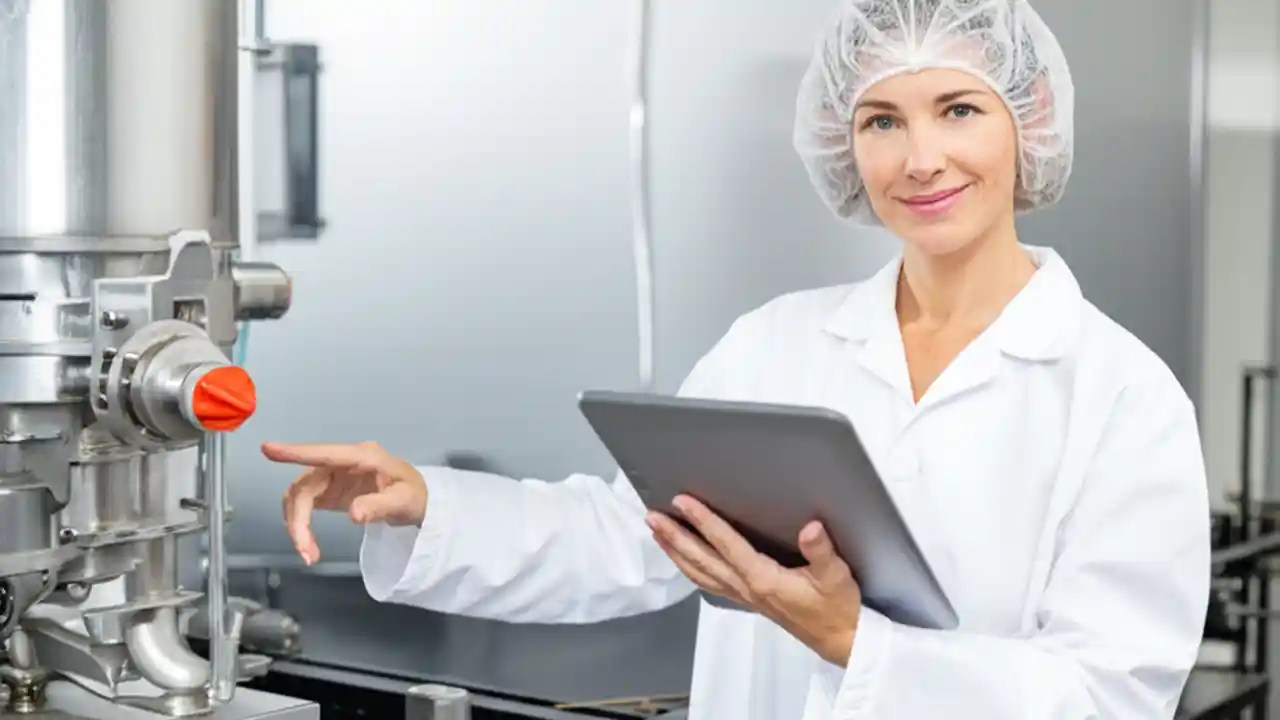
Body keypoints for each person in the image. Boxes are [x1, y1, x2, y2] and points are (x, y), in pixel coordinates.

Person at [266, 1, 1210, 717]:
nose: (920, 158)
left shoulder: (1121, 396)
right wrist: (427, 503)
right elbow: (637, 540)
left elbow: (1108, 695)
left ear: (1029, 115)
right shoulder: (778, 344)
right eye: (882, 120)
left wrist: (852, 643)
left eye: (958, 109)